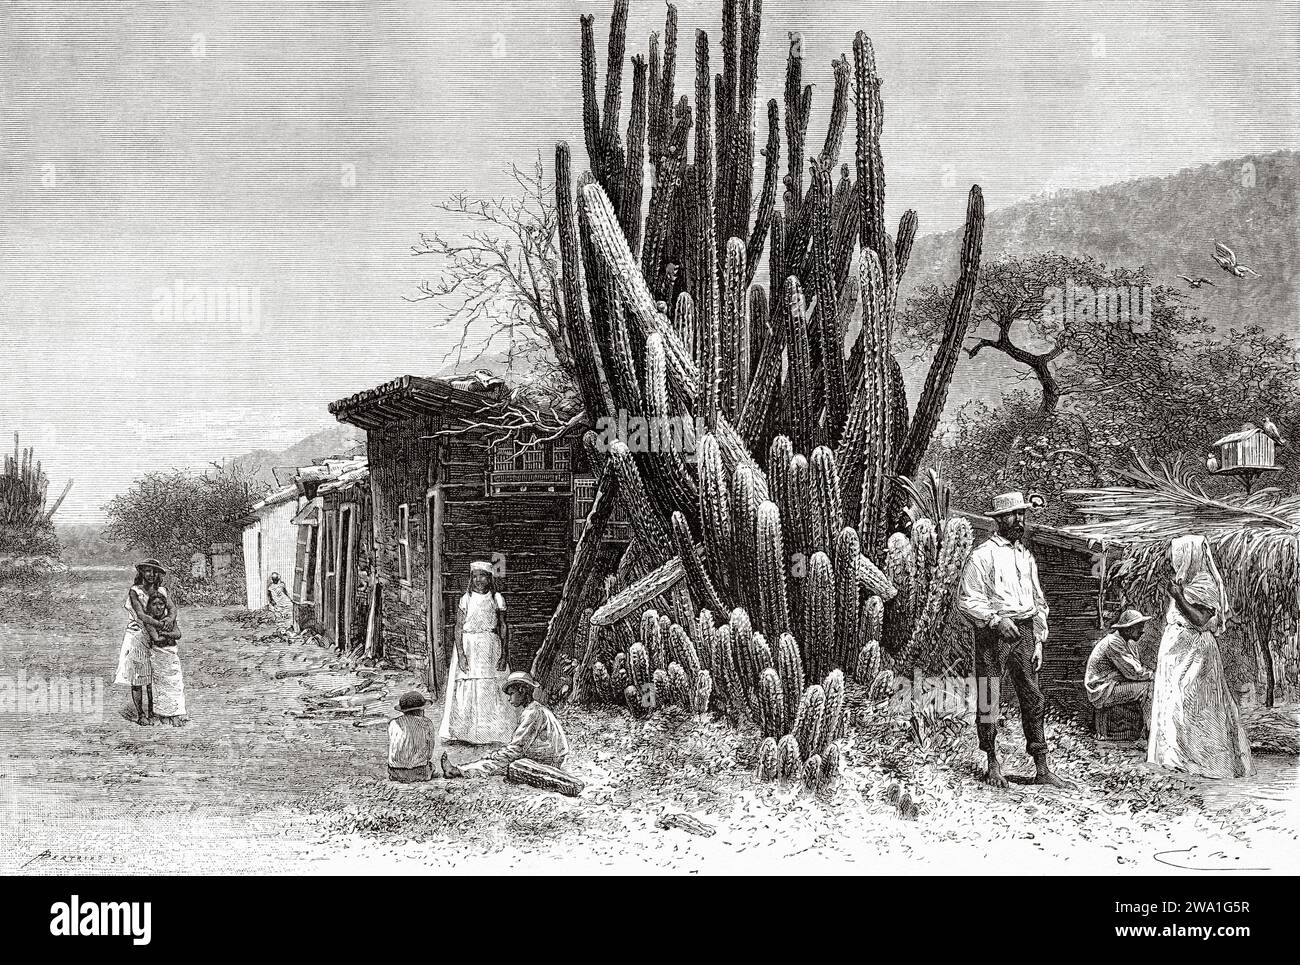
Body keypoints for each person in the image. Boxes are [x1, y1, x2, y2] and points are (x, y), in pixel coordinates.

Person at [957, 491, 1070, 789]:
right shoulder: (983, 556)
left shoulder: (1025, 556)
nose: (1019, 520)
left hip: (1024, 632)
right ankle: (992, 762)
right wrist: (996, 619)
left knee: (1033, 697)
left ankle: (1042, 767)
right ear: (998, 520)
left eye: (1022, 515)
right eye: (1012, 515)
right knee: (989, 695)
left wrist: (1040, 640)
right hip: (993, 634)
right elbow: (968, 600)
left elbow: (1038, 601)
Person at [1148, 535, 1252, 778]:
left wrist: (1178, 596)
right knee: (1174, 703)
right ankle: (1176, 758)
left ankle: (1203, 761)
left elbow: (1200, 619)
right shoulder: (1186, 580)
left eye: (1178, 554)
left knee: (1194, 704)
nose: (1174, 560)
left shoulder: (1204, 582)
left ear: (1189, 555)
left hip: (1195, 652)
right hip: (1178, 651)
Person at [438, 561, 518, 745]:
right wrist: (461, 654)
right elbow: (458, 627)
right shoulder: (465, 599)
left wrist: (504, 654)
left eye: (482, 576)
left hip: (489, 645)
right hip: (469, 645)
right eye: (474, 576)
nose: (478, 580)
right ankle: (465, 732)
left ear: (489, 578)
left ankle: (493, 732)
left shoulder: (496, 598)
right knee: (467, 686)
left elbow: (503, 627)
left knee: (490, 687)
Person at [441, 671, 569, 779]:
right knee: (502, 758)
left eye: (511, 694)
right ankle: (462, 769)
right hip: (550, 755)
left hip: (548, 759)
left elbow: (517, 748)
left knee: (501, 763)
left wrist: (494, 755)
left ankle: (458, 771)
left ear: (522, 690)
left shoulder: (533, 712)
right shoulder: (534, 709)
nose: (509, 699)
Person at [114, 558, 173, 726]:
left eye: (155, 571)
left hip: (155, 636)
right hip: (137, 636)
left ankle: (153, 711)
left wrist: (170, 617)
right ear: (142, 573)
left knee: (155, 676)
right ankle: (140, 714)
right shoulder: (135, 591)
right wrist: (161, 623)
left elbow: (172, 608)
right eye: (148, 571)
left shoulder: (162, 590)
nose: (151, 574)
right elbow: (141, 615)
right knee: (138, 677)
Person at [1084, 608, 1155, 741]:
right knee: (1148, 688)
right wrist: (1154, 674)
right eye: (1139, 627)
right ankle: (1151, 733)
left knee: (1148, 684)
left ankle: (1146, 731)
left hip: (1111, 685)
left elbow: (1135, 669)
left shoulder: (1129, 643)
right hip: (1102, 690)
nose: (1142, 631)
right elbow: (1133, 672)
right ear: (1128, 629)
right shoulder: (1114, 642)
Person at [145, 593, 187, 725]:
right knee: (161, 686)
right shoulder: (149, 621)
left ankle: (175, 713)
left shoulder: (169, 619)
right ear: (149, 606)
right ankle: (163, 714)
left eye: (161, 604)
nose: (158, 607)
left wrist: (165, 633)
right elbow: (156, 639)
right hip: (159, 655)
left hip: (171, 654)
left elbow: (178, 634)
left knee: (175, 684)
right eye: (155, 604)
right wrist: (168, 634)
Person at [388, 690, 435, 783]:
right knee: (432, 767)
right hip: (418, 771)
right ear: (420, 710)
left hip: (395, 771)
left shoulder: (393, 723)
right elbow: (430, 752)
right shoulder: (427, 723)